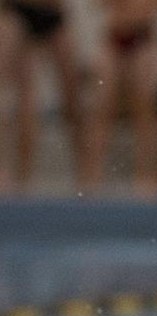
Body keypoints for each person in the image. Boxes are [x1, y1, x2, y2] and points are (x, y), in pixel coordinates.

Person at [2, 0, 87, 194]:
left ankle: (85, 174)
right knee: (25, 97)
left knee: (72, 98)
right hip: (19, 13)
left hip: (52, 15)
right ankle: (21, 178)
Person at [85, 0, 157, 194]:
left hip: (142, 39)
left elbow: (149, 11)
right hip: (114, 39)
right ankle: (93, 176)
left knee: (144, 109)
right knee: (103, 108)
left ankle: (145, 175)